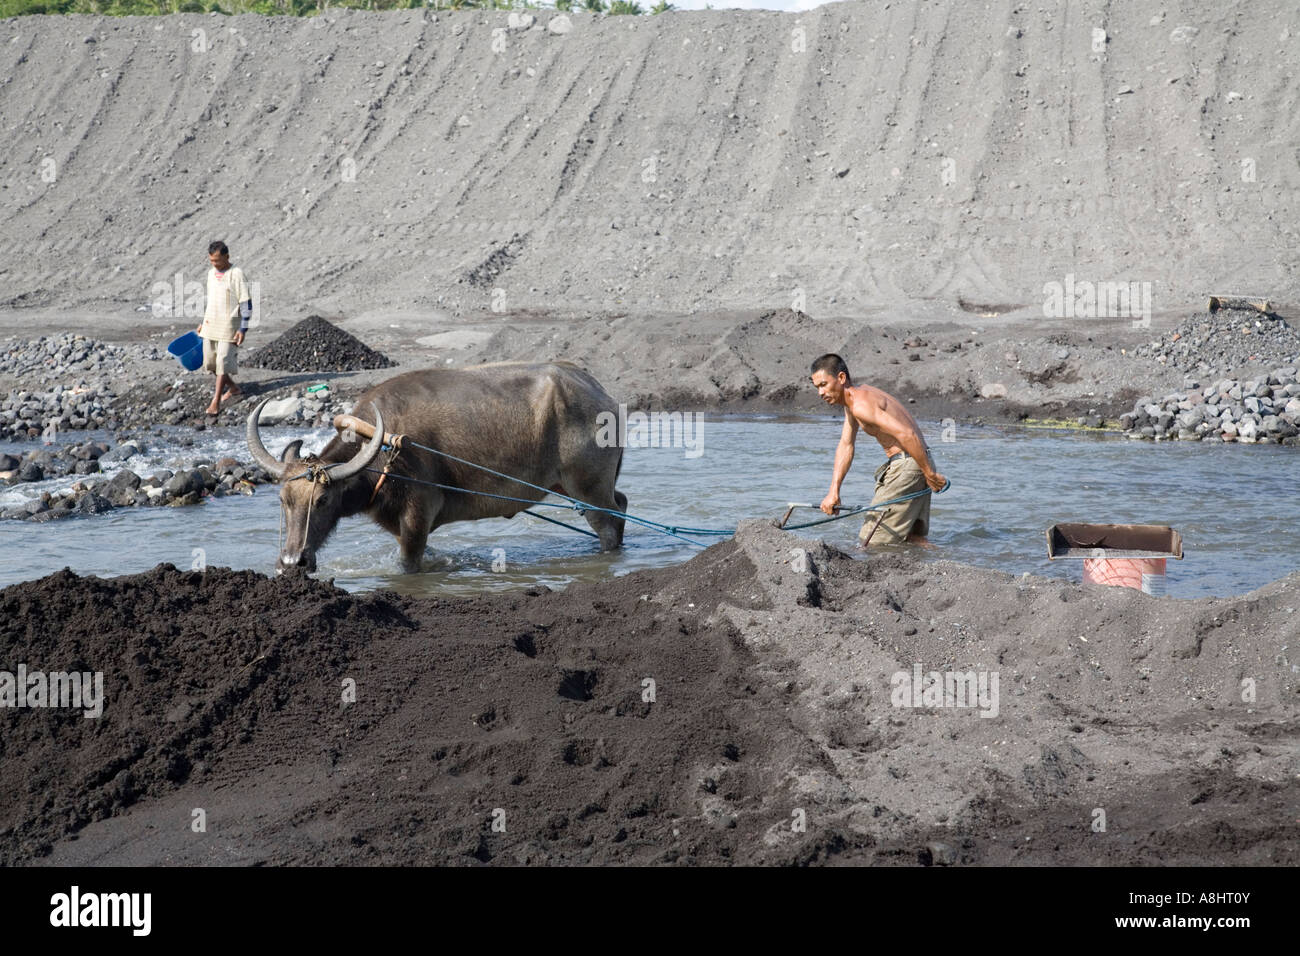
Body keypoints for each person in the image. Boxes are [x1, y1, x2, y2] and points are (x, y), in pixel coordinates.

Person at [810, 353, 946, 546]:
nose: (820, 393)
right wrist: (834, 491)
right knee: (910, 538)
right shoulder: (855, 400)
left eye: (823, 385)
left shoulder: (861, 406)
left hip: (909, 465)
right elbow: (846, 445)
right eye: (817, 387)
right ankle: (946, 561)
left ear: (841, 378)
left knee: (872, 540)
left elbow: (907, 434)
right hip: (918, 461)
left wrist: (929, 473)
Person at [195, 240, 252, 415]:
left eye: (217, 260)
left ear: (227, 257)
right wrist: (203, 322)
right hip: (210, 324)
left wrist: (243, 329)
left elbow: (246, 303)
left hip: (229, 327)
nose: (215, 264)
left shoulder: (236, 274)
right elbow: (213, 299)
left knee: (223, 363)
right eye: (212, 260)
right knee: (210, 364)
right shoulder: (211, 274)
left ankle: (216, 402)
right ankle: (233, 388)